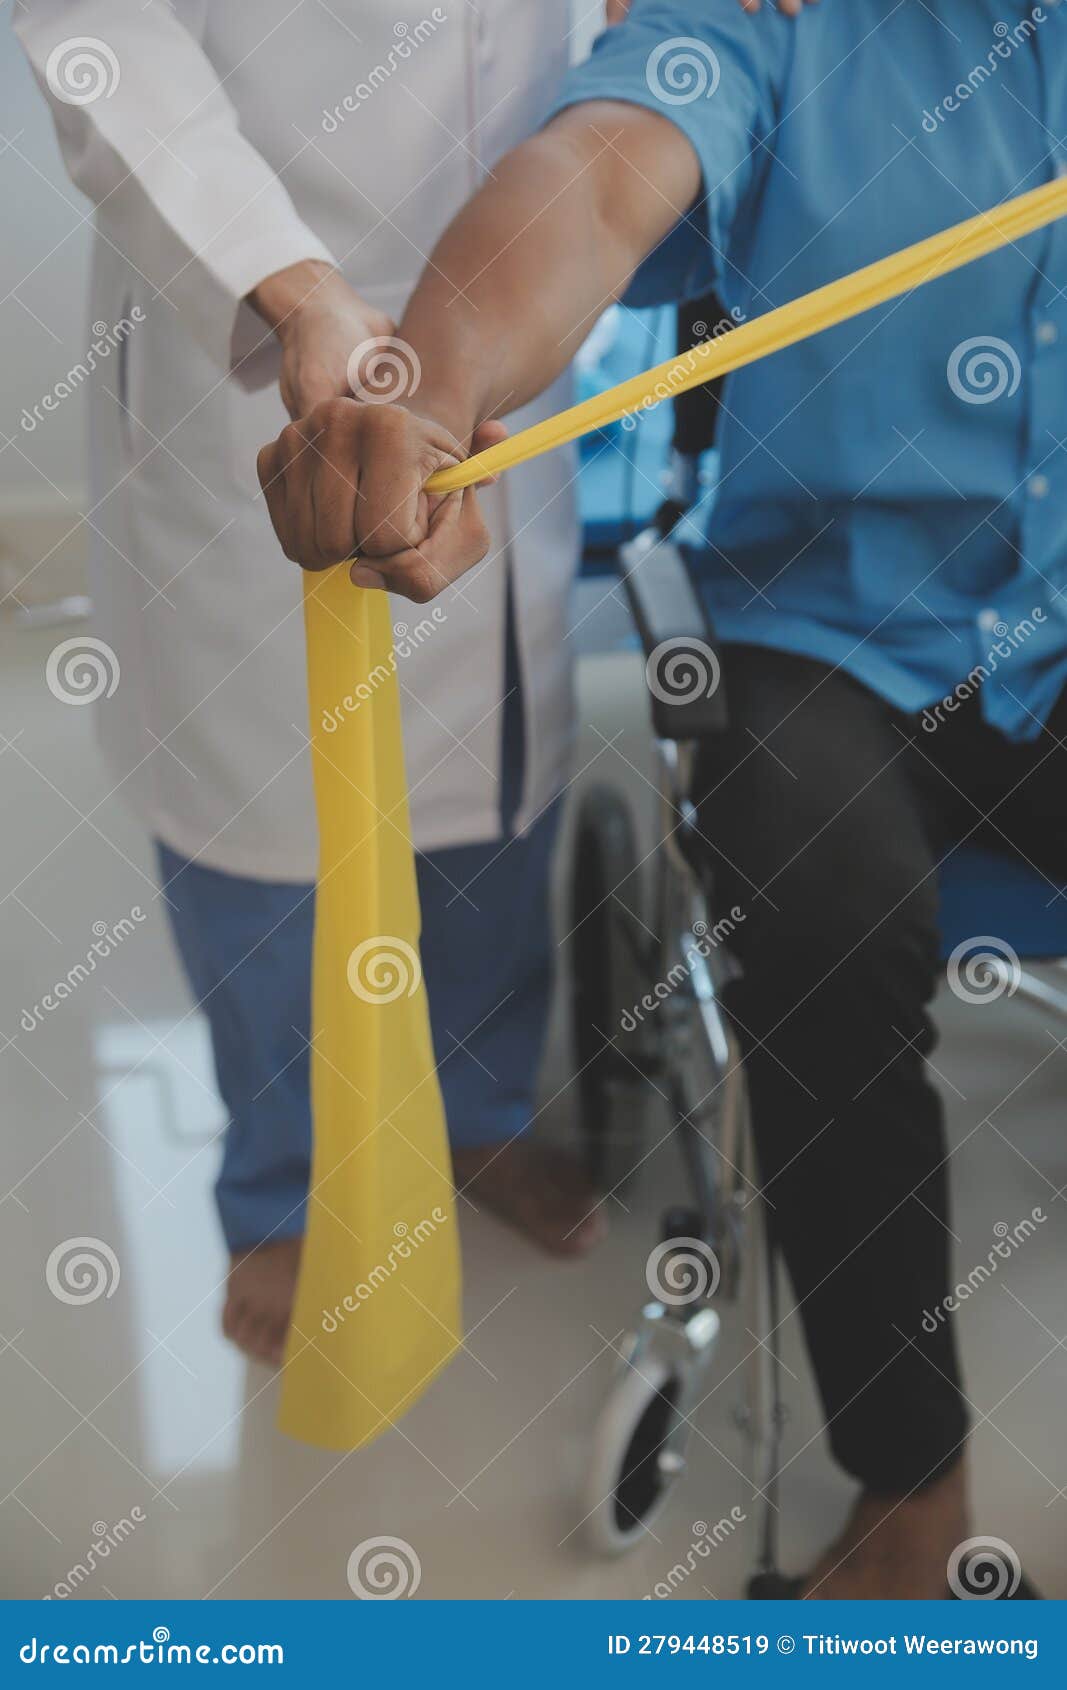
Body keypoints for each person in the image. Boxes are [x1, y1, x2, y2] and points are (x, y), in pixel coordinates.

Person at [258, 0, 1067, 1598]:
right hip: (825, 626)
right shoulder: (769, 23)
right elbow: (597, 181)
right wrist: (430, 392)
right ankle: (911, 1488)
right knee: (819, 907)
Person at [15, 0, 616, 1373]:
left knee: (495, 786)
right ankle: (282, 1182)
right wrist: (287, 283)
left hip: (510, 287)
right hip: (245, 309)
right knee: (262, 815)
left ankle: (477, 1110)